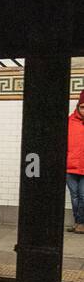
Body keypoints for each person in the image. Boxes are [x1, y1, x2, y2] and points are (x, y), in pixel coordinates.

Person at [68, 90, 84, 233]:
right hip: (70, 167)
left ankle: (80, 223)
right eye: (83, 107)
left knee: (83, 196)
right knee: (74, 197)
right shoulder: (69, 122)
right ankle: (77, 222)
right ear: (78, 107)